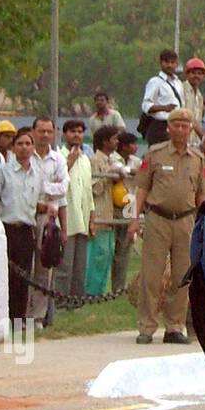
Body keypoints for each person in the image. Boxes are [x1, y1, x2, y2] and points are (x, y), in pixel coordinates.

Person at [129, 108, 204, 344]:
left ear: (190, 129)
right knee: (152, 274)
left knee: (182, 276)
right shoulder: (155, 154)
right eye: (176, 125)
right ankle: (147, 327)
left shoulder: (197, 158)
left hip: (185, 221)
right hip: (157, 219)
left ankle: (174, 326)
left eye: (185, 125)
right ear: (168, 128)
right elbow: (142, 188)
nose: (181, 129)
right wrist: (134, 219)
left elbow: (201, 194)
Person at [0, 126, 44, 323]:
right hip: (6, 229)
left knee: (23, 276)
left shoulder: (37, 174)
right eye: (20, 144)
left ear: (33, 147)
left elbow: (37, 202)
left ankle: (18, 318)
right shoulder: (2, 172)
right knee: (4, 276)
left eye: (28, 144)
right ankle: (1, 318)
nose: (24, 147)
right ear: (13, 148)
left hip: (26, 230)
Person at [29, 116, 69, 327]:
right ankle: (22, 314)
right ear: (33, 132)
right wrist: (47, 188)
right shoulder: (26, 154)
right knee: (27, 266)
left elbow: (63, 191)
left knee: (45, 268)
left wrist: (41, 188)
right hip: (28, 216)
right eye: (41, 131)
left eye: (49, 131)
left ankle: (38, 316)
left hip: (50, 219)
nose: (45, 135)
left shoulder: (58, 159)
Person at [53, 120, 93, 304]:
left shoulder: (85, 158)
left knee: (79, 266)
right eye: (72, 132)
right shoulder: (58, 157)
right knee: (65, 266)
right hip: (66, 220)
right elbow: (56, 184)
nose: (76, 135)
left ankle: (76, 301)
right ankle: (61, 301)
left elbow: (88, 193)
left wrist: (92, 219)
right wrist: (69, 162)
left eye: (79, 131)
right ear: (64, 134)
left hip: (82, 220)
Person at [85, 125, 120, 296]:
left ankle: (99, 291)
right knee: (96, 257)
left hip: (108, 215)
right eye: (114, 139)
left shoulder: (110, 160)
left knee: (106, 255)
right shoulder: (94, 161)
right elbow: (94, 189)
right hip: (98, 214)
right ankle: (90, 292)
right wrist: (109, 175)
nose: (117, 142)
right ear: (105, 141)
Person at [109, 132, 141, 296]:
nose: (136, 147)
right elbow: (118, 170)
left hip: (130, 207)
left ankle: (118, 288)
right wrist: (130, 171)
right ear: (124, 146)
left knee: (124, 249)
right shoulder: (113, 157)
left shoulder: (136, 160)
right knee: (108, 249)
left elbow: (143, 172)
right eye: (133, 144)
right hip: (113, 207)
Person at [141, 49, 184, 145]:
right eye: (166, 62)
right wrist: (164, 108)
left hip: (176, 126)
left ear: (176, 64)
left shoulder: (178, 83)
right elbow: (146, 106)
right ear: (161, 63)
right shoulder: (155, 82)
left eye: (172, 62)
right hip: (160, 127)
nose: (169, 65)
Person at [182, 58, 205, 143]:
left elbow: (198, 120)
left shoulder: (199, 96)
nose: (196, 76)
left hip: (195, 141)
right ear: (187, 74)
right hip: (182, 137)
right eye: (193, 73)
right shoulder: (181, 89)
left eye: (199, 73)